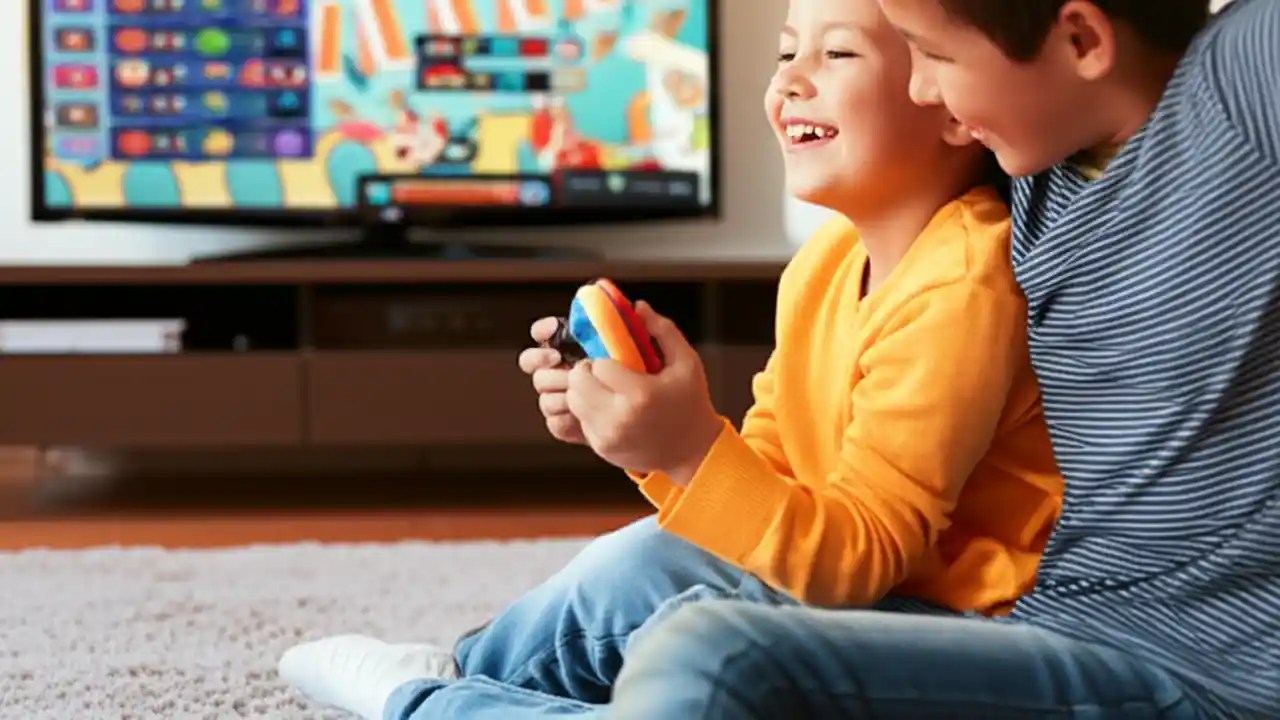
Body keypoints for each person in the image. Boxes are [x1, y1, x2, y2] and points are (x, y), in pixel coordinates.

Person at [274, 0, 1065, 716]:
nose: (790, 82)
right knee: (645, 555)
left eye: (839, 56)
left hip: (949, 626)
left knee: (691, 630)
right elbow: (772, 474)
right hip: (847, 581)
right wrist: (652, 440)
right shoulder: (824, 264)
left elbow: (859, 563)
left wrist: (687, 450)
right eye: (786, 53)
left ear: (954, 108)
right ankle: (469, 672)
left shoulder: (963, 284)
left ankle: (425, 706)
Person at [604, 0, 1280, 718]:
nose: (922, 90)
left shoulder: (1231, 92)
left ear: (1082, 39)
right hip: (1052, 624)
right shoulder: (1036, 170)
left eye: (937, 58)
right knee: (651, 570)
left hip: (1198, 675)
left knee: (710, 653)